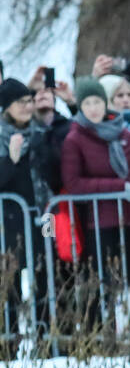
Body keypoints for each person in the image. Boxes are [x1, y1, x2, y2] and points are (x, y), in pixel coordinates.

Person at [60, 77, 130, 288]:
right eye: (87, 103)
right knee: (106, 286)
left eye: (97, 101)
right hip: (100, 223)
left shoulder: (123, 132)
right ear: (80, 107)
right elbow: (74, 184)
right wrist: (120, 187)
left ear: (105, 102)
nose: (93, 108)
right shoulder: (75, 139)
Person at [0, 79, 53, 352]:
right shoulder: (1, 134)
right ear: (7, 106)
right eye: (21, 102)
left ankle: (46, 342)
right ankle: (8, 344)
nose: (27, 107)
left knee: (45, 273)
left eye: (29, 101)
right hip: (10, 220)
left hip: (44, 217)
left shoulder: (41, 132)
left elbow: (53, 171)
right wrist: (11, 158)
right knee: (10, 280)